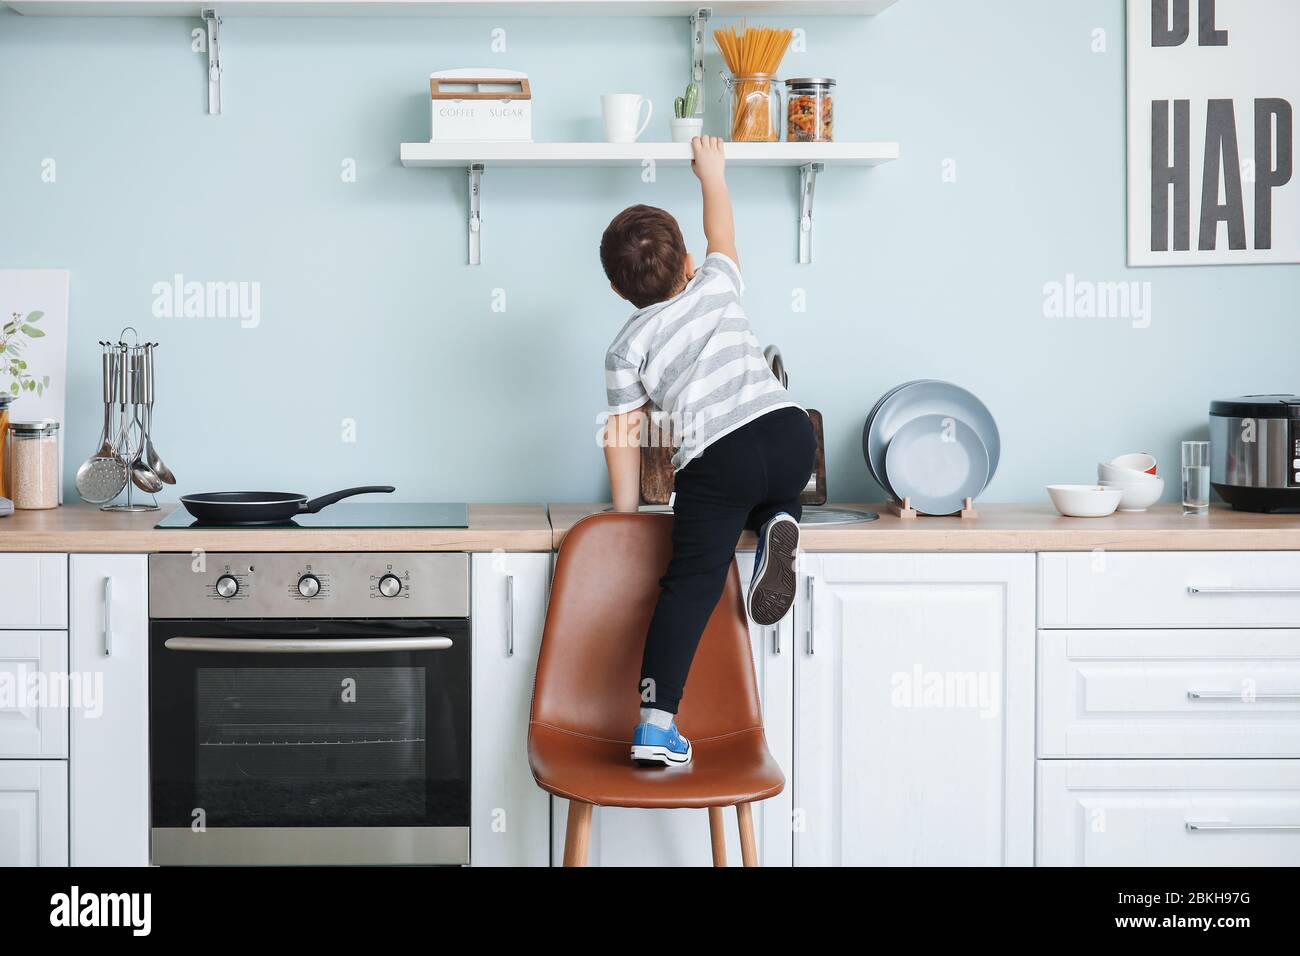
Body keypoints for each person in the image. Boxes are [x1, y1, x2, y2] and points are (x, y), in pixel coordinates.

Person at [599, 135, 817, 768]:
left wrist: (625, 516)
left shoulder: (625, 346)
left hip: (716, 463)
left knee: (690, 585)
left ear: (620, 292)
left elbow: (625, 433)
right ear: (688, 262)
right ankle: (781, 520)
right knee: (775, 489)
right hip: (787, 431)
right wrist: (711, 173)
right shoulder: (717, 284)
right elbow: (723, 228)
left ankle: (656, 722)